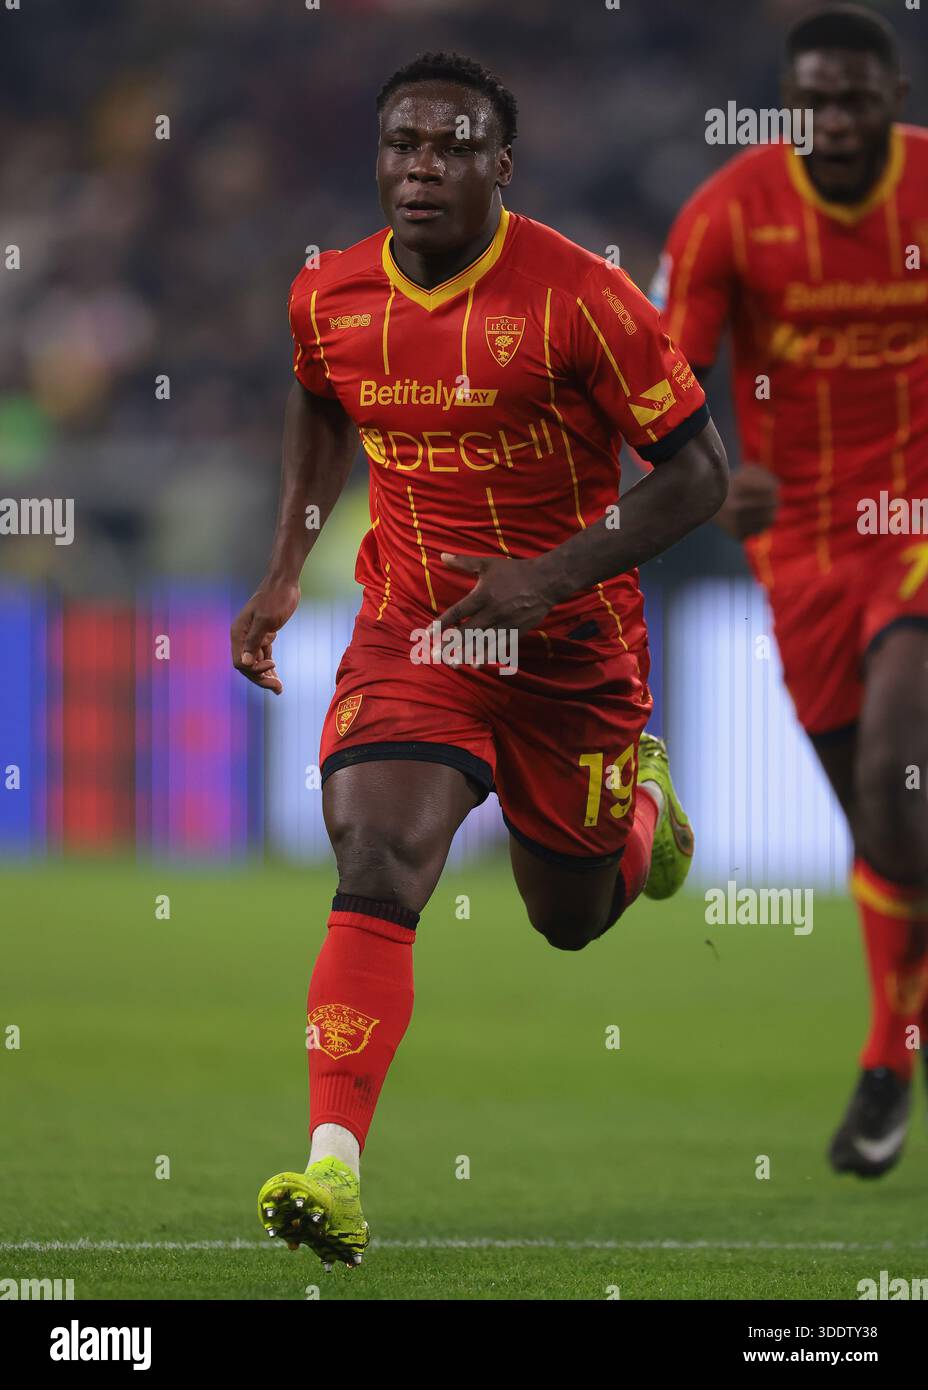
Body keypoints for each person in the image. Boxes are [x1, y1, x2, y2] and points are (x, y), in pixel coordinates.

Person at [232, 51, 727, 1267]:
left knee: (568, 918)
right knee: (377, 849)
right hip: (418, 628)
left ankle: (641, 806)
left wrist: (547, 578)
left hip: (569, 651)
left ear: (499, 166)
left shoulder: (583, 298)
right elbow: (317, 396)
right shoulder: (329, 294)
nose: (422, 168)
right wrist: (288, 565)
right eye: (403, 145)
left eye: (452, 147)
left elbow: (700, 476)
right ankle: (333, 1170)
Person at [653, 4, 928, 1178]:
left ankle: (880, 1057)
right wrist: (712, 482)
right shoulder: (728, 212)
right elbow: (668, 378)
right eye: (813, 97)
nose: (835, 118)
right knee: (878, 827)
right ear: (788, 101)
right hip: (799, 545)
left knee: (892, 769)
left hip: (914, 517)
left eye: (856, 96)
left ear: (890, 95)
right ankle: (895, 1054)